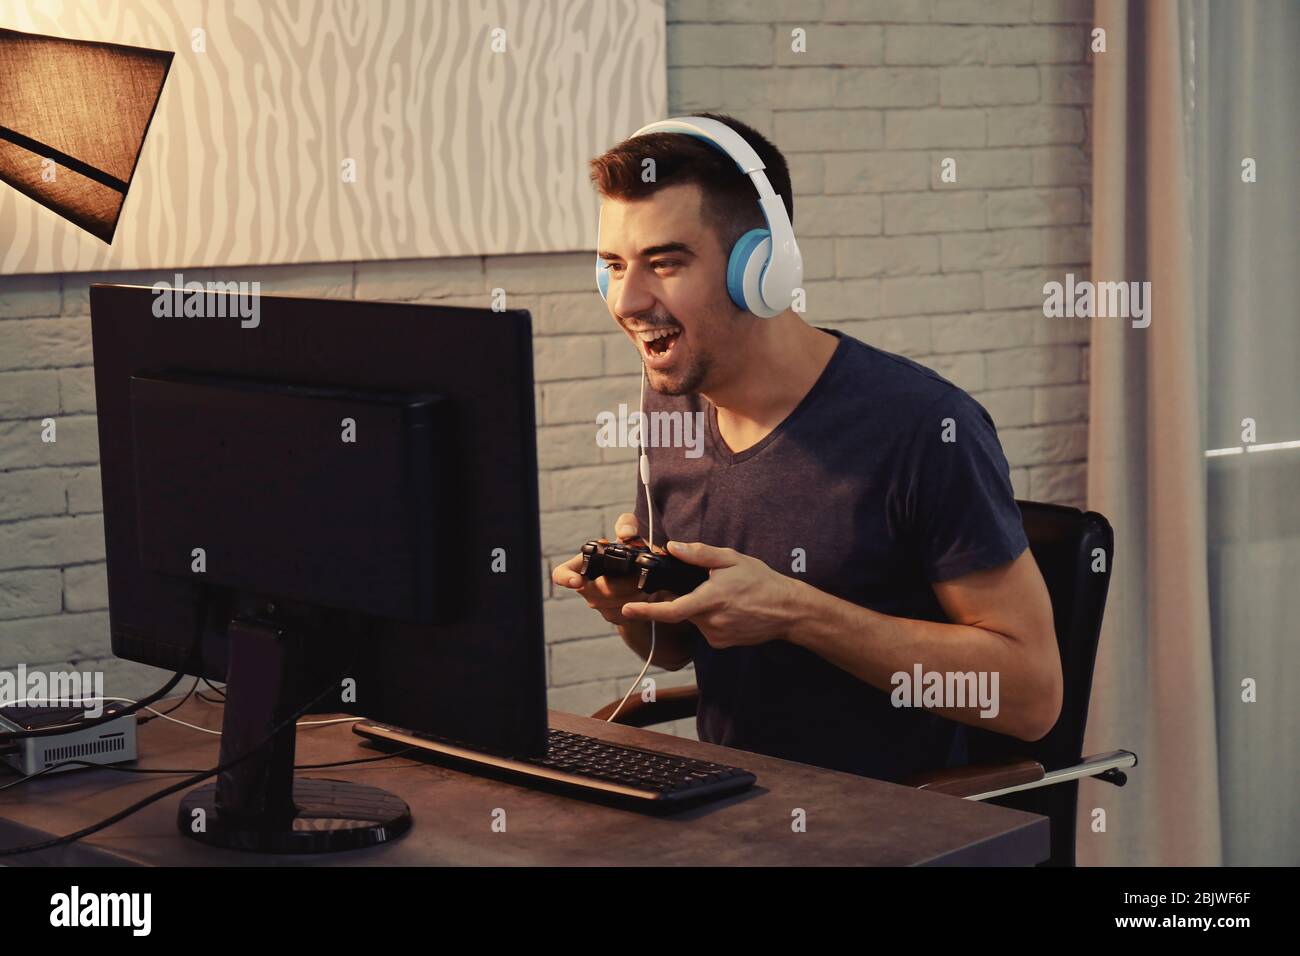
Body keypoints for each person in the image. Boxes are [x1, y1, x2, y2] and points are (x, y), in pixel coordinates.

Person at [552, 113, 1061, 783]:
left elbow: (1029, 699)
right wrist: (629, 606)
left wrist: (798, 612)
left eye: (665, 263)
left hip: (889, 832)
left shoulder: (925, 427)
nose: (627, 299)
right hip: (724, 814)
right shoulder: (670, 401)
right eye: (613, 265)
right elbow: (675, 650)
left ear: (760, 269)